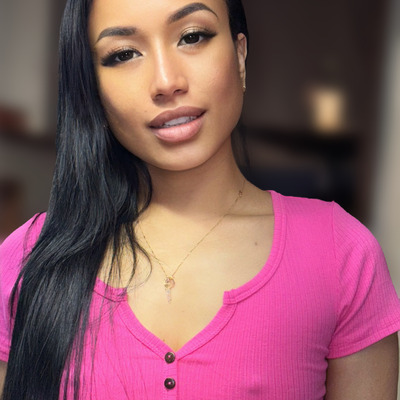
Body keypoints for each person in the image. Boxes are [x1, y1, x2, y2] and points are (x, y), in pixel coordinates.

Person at [1, 0, 400, 398]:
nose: (166, 81)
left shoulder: (341, 253)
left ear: (239, 56)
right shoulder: (25, 260)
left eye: (192, 37)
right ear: (92, 87)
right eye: (123, 54)